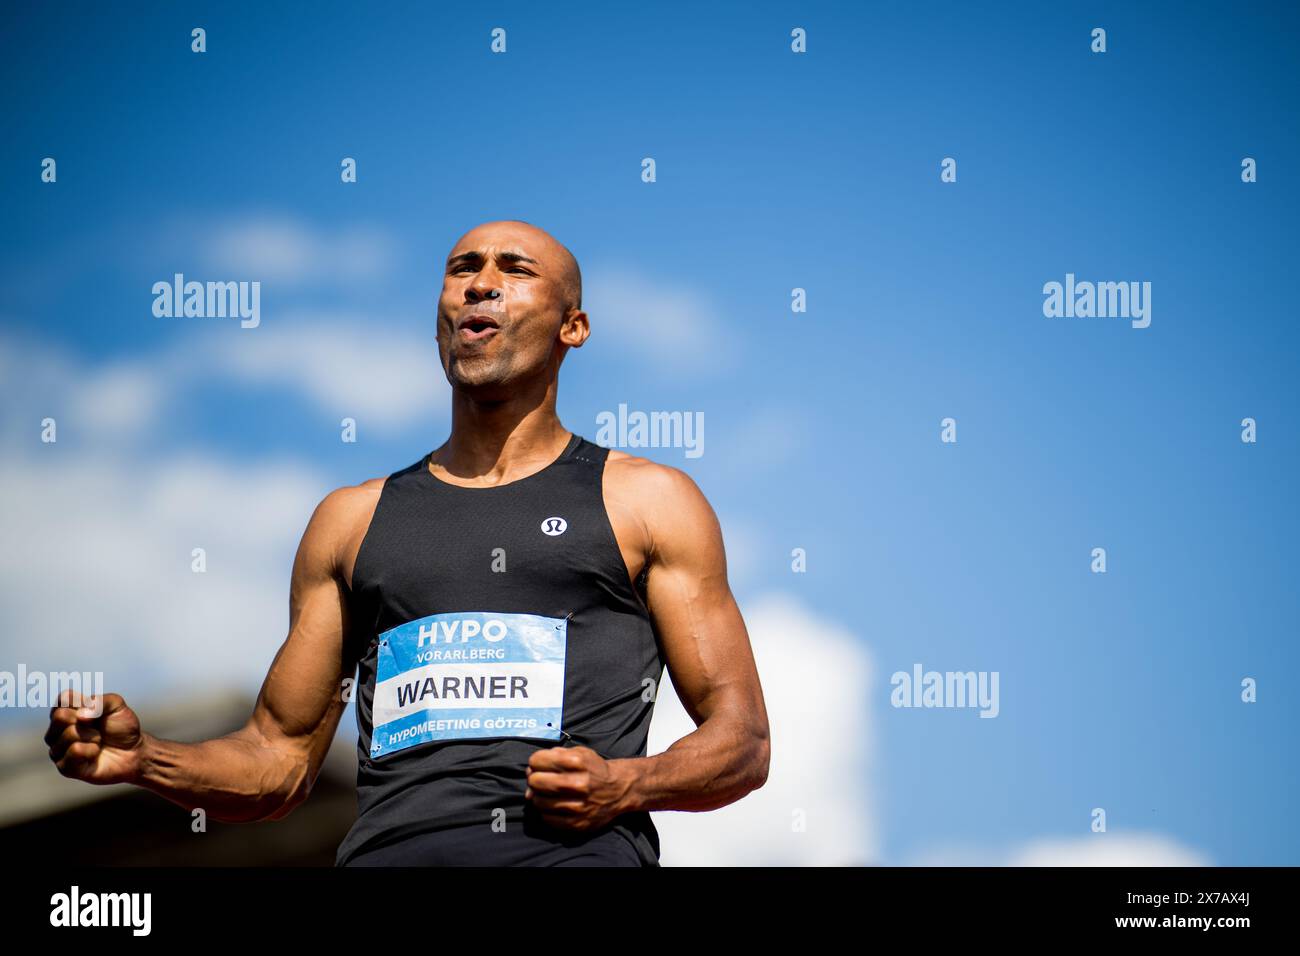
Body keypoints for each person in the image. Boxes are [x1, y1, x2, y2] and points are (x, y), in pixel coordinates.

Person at [45, 219, 771, 866]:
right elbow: (277, 760)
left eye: (514, 271)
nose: (480, 284)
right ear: (439, 320)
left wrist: (625, 784)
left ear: (571, 327)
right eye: (463, 269)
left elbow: (742, 740)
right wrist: (145, 761)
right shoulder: (351, 521)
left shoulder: (646, 500)